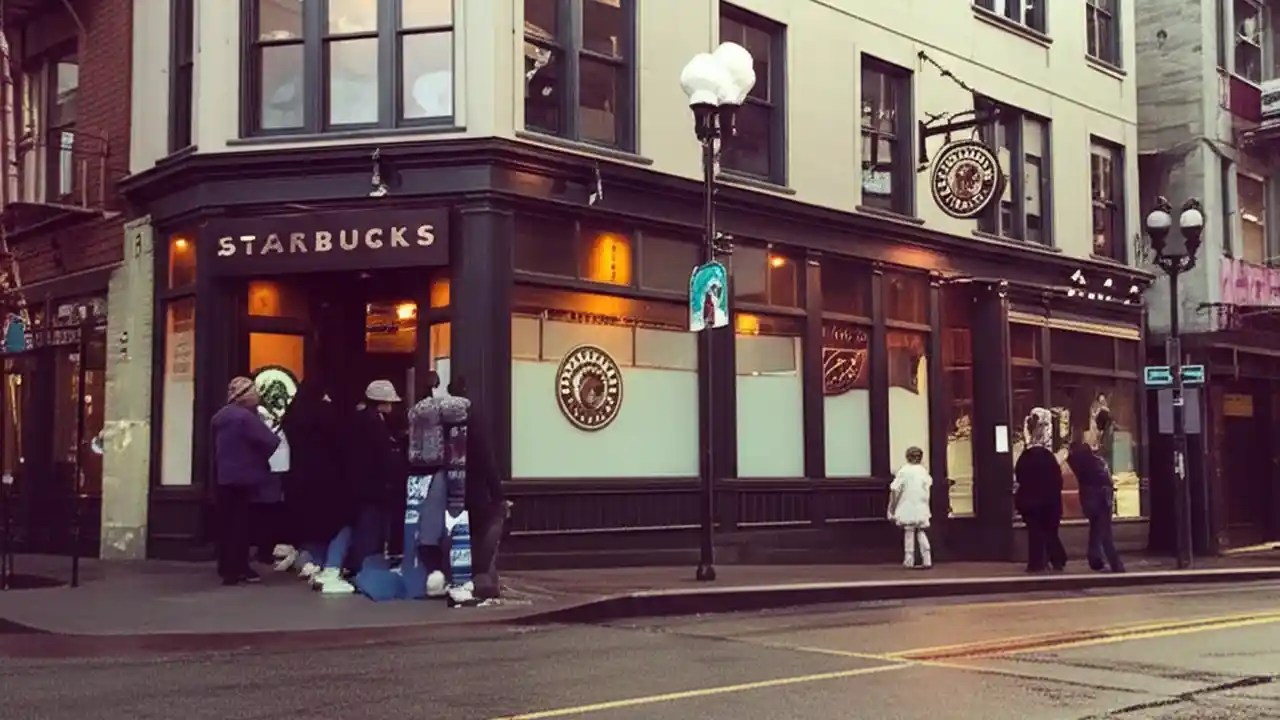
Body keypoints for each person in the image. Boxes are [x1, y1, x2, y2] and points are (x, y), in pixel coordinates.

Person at [281, 382, 356, 592]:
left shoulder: (293, 416)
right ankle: (330, 566)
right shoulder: (325, 414)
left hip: (299, 475)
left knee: (310, 525)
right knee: (338, 521)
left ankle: (309, 561)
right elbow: (341, 442)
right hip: (328, 477)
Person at [211, 377, 281, 586]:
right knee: (241, 525)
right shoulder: (245, 417)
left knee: (226, 524)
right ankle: (240, 568)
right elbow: (270, 440)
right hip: (244, 477)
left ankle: (226, 568)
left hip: (224, 475)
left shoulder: (220, 416)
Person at [453, 376, 509, 601]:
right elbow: (487, 462)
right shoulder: (475, 423)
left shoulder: (446, 424)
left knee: (457, 537)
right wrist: (498, 495)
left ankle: (458, 578)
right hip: (476, 491)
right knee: (481, 536)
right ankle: (481, 580)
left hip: (451, 490)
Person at [346, 379, 405, 573]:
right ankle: (365, 567)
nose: (391, 406)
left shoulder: (363, 418)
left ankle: (362, 565)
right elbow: (382, 454)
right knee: (371, 527)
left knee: (368, 525)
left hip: (363, 483)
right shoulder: (373, 423)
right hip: (373, 485)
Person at [1014, 407, 1068, 573]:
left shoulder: (1025, 457)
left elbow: (1020, 476)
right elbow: (1058, 480)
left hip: (1032, 503)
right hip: (1050, 503)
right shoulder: (1049, 458)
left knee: (1035, 534)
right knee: (1050, 532)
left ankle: (1037, 563)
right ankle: (1057, 560)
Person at [1067, 440, 1125, 573]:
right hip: (1102, 500)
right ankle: (1114, 564)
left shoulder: (1077, 464)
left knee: (1097, 530)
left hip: (1090, 500)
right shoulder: (1098, 462)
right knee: (1104, 532)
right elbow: (1108, 481)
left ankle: (1097, 559)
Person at [887, 447, 933, 570]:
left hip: (907, 505)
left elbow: (895, 490)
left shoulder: (904, 471)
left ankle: (909, 560)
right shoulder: (923, 471)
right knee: (921, 530)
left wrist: (891, 507)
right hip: (921, 505)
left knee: (909, 531)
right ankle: (927, 558)